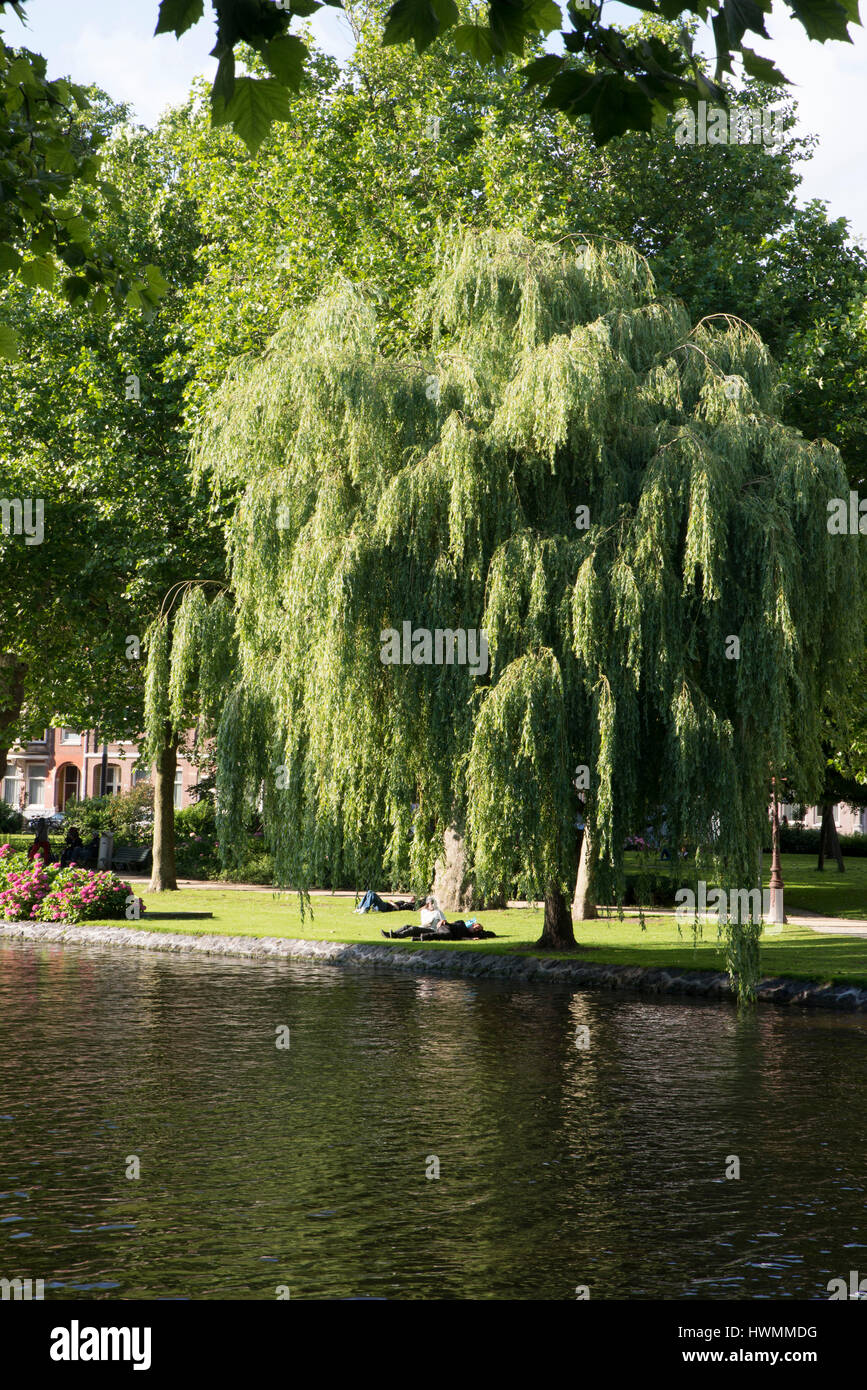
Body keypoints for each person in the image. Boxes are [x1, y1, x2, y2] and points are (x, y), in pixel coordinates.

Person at [382, 912, 496, 941]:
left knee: (413, 929)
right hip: (440, 927)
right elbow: (450, 923)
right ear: (472, 924)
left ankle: (396, 936)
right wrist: (443, 921)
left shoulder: (467, 933)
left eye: (477, 929)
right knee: (408, 926)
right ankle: (393, 934)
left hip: (435, 930)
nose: (475, 928)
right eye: (475, 926)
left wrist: (472, 937)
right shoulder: (462, 923)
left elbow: (489, 934)